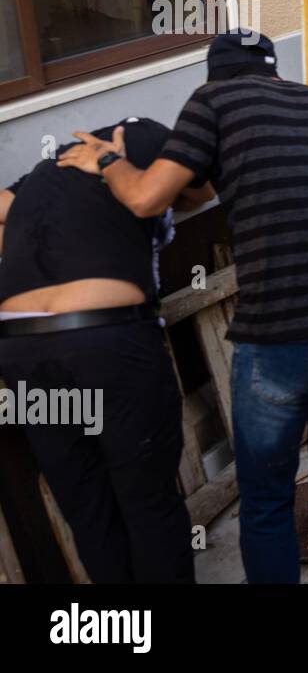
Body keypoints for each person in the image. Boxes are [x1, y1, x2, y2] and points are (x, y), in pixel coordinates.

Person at [57, 29, 308, 584]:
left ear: (217, 74)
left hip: (279, 341)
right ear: (274, 72)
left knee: (266, 503)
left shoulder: (214, 102)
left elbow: (147, 196)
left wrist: (107, 161)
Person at [0, 117, 214, 583]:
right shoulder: (144, 134)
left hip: (22, 350)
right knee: (148, 503)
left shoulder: (44, 172)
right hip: (105, 341)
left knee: (88, 507)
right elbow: (201, 192)